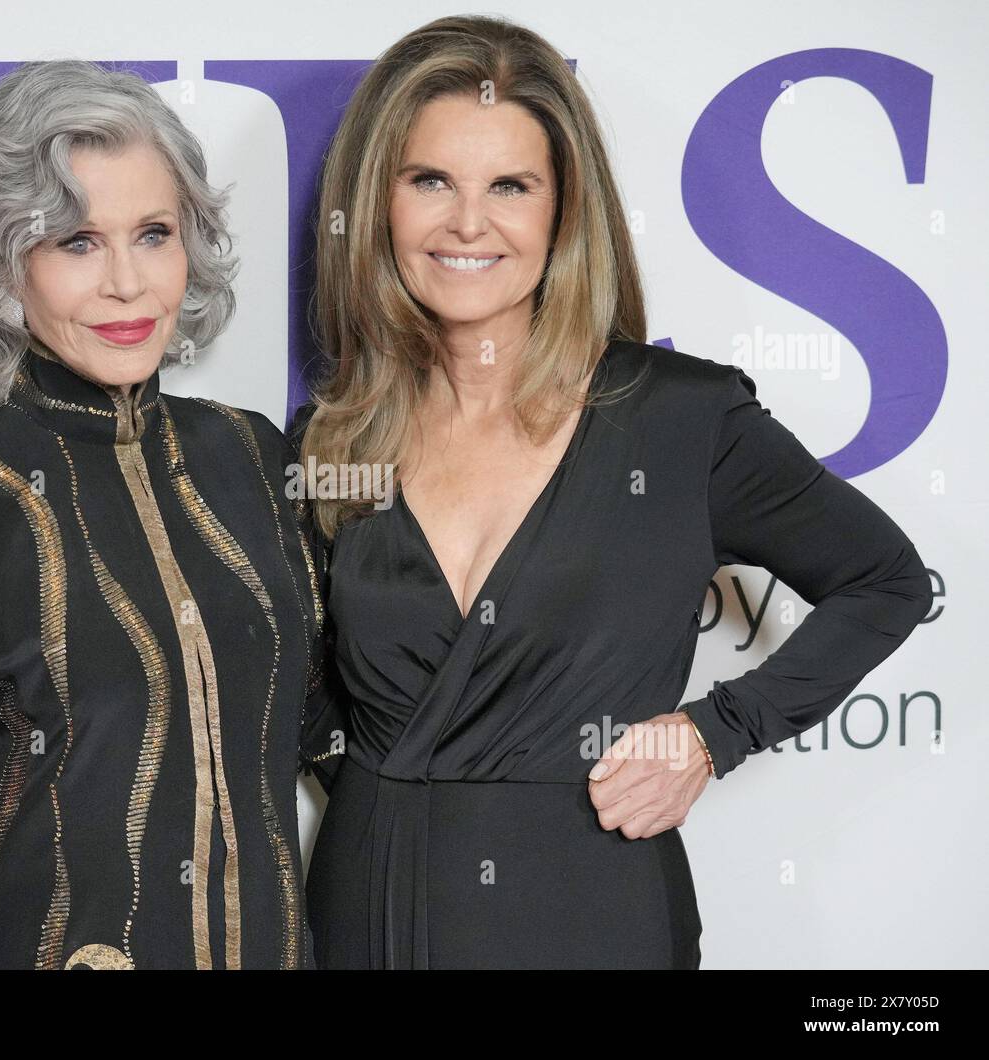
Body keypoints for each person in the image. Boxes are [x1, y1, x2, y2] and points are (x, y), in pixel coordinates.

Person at [294, 15, 933, 969]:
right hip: (371, 906)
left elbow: (887, 581)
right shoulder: (330, 442)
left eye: (510, 186)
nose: (468, 223)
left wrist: (718, 731)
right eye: (430, 180)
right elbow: (286, 684)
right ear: (376, 203)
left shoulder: (679, 421)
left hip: (593, 908)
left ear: (563, 211)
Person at [0, 59, 326, 969]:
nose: (129, 284)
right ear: (1, 257)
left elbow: (349, 731)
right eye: (76, 242)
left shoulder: (256, 459)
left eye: (153, 233)